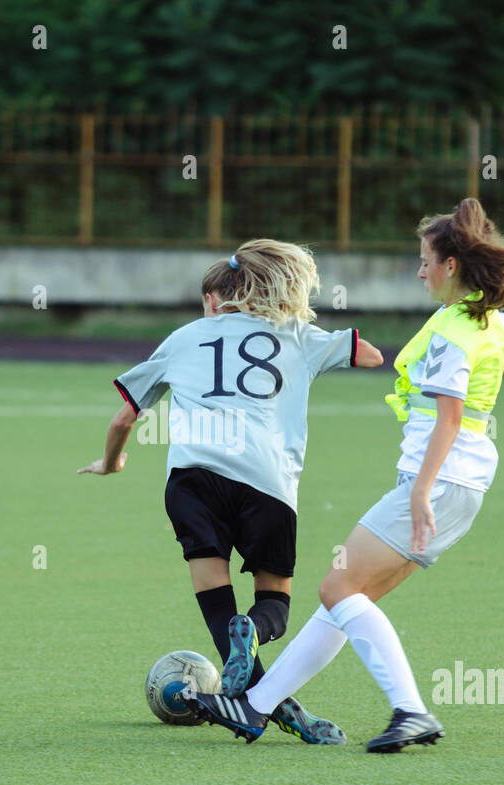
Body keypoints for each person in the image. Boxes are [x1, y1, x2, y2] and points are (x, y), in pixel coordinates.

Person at [183, 199, 504, 751]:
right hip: (462, 487)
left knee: (337, 585)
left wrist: (419, 491)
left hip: (436, 483)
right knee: (344, 601)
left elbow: (448, 417)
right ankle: (255, 705)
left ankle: (411, 711)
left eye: (426, 260)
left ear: (452, 266)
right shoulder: (488, 322)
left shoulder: (452, 334)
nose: (420, 270)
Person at [78, 238, 384, 744]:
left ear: (216, 300)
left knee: (220, 610)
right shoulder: (294, 335)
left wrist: (111, 464)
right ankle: (260, 650)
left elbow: (123, 417)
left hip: (192, 483)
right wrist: (296, 328)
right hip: (266, 484)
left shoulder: (183, 338)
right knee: (274, 609)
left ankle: (276, 706)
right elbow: (370, 355)